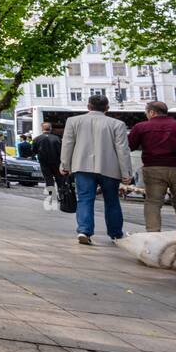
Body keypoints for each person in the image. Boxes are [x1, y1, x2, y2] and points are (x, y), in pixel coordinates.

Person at [59, 94, 133, 246]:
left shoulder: (73, 121)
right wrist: (126, 173)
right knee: (112, 201)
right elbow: (122, 150)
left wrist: (65, 165)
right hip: (109, 167)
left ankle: (84, 231)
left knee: (85, 199)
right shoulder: (117, 124)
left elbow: (67, 144)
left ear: (88, 106)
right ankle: (116, 234)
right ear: (107, 108)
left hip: (82, 166)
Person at [128, 100, 176, 235]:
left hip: (153, 168)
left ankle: (154, 234)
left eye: (146, 113)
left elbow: (129, 146)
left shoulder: (141, 127)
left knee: (153, 202)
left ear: (152, 112)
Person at [33, 122, 62, 190]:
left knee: (48, 180)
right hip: (56, 162)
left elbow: (34, 151)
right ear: (50, 129)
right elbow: (61, 151)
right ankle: (62, 195)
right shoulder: (57, 138)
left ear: (42, 129)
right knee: (59, 179)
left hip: (44, 163)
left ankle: (52, 196)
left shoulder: (37, 139)